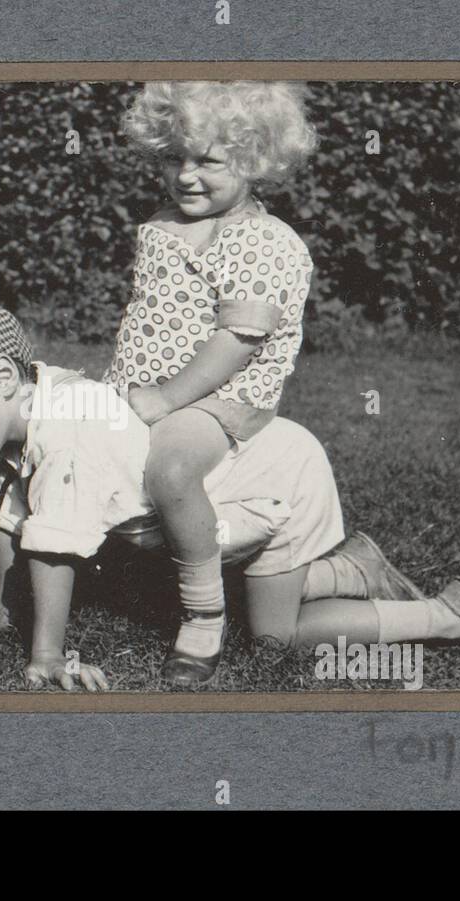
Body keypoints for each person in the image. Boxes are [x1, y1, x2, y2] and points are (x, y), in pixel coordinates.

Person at [0, 295, 460, 691]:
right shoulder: (15, 427)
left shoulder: (69, 429)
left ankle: (445, 616)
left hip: (268, 482)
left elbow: (51, 550)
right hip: (202, 503)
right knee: (208, 578)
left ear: (2, 376)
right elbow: (11, 523)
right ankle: (351, 569)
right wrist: (3, 606)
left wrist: (47, 654)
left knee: (274, 634)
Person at [104, 81, 321, 682]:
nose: (186, 175)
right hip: (148, 385)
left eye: (208, 161)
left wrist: (168, 398)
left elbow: (237, 341)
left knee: (170, 470)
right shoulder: (165, 224)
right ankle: (30, 565)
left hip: (221, 396)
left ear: (253, 162)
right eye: (175, 157)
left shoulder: (258, 241)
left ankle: (203, 614)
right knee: (60, 439)